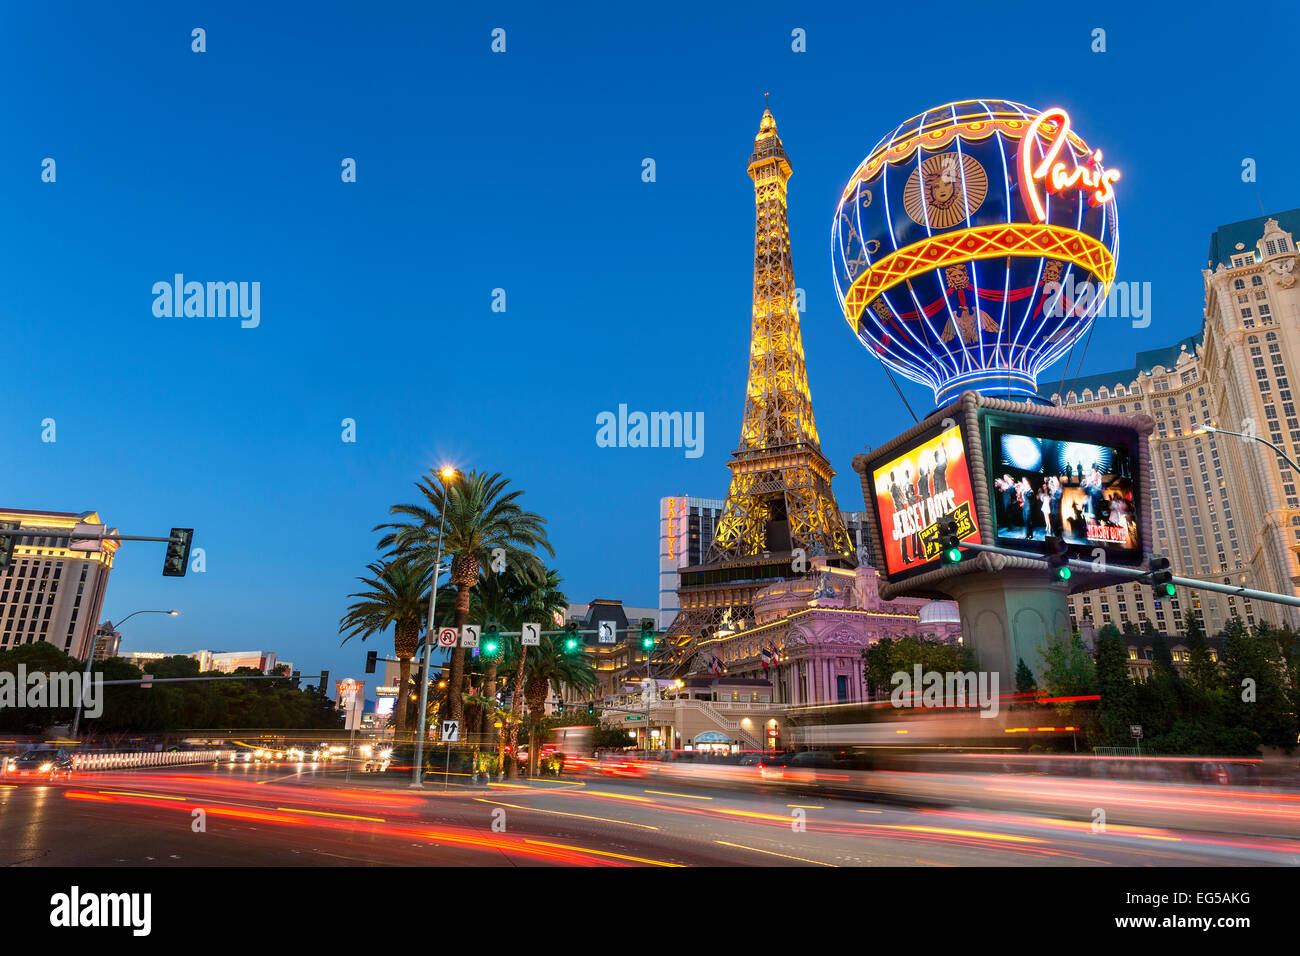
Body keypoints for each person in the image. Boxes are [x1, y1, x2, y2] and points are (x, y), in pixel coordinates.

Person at [888, 469, 911, 564]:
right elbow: (903, 500)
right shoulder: (896, 487)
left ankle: (904, 557)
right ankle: (905, 557)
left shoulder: (891, 487)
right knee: (904, 535)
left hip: (897, 512)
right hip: (900, 512)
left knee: (903, 536)